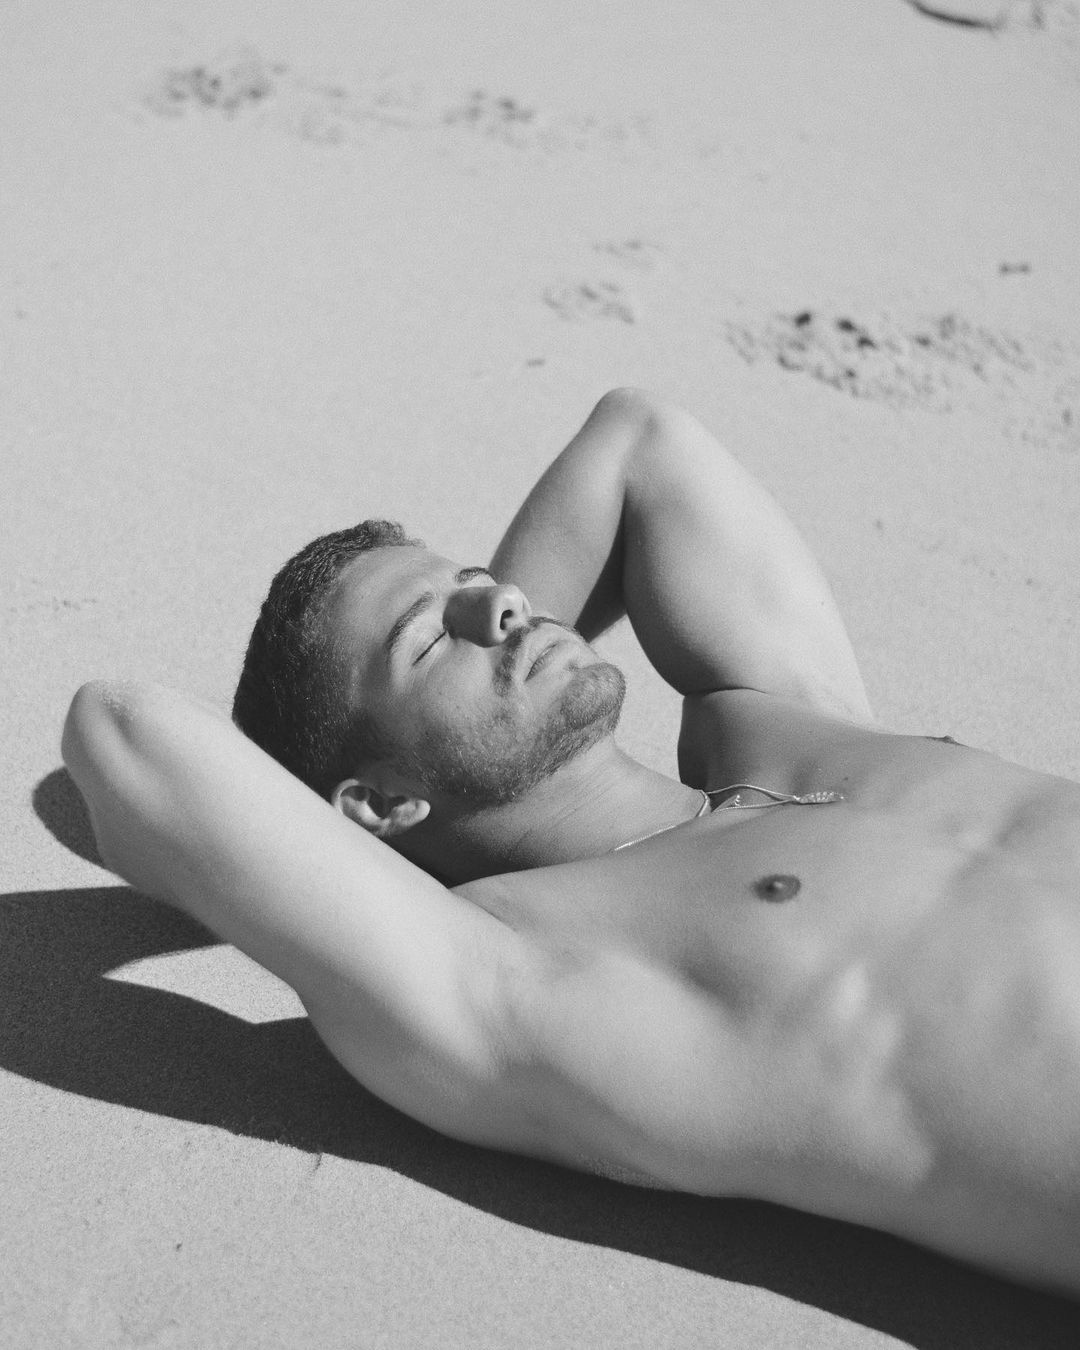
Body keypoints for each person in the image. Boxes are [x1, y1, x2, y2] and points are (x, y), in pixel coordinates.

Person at [62, 388, 1080, 1297]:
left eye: (476, 581)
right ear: (377, 806)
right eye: (433, 638)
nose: (504, 603)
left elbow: (641, 441)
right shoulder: (529, 967)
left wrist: (481, 671)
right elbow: (124, 729)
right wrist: (330, 861)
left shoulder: (781, 726)